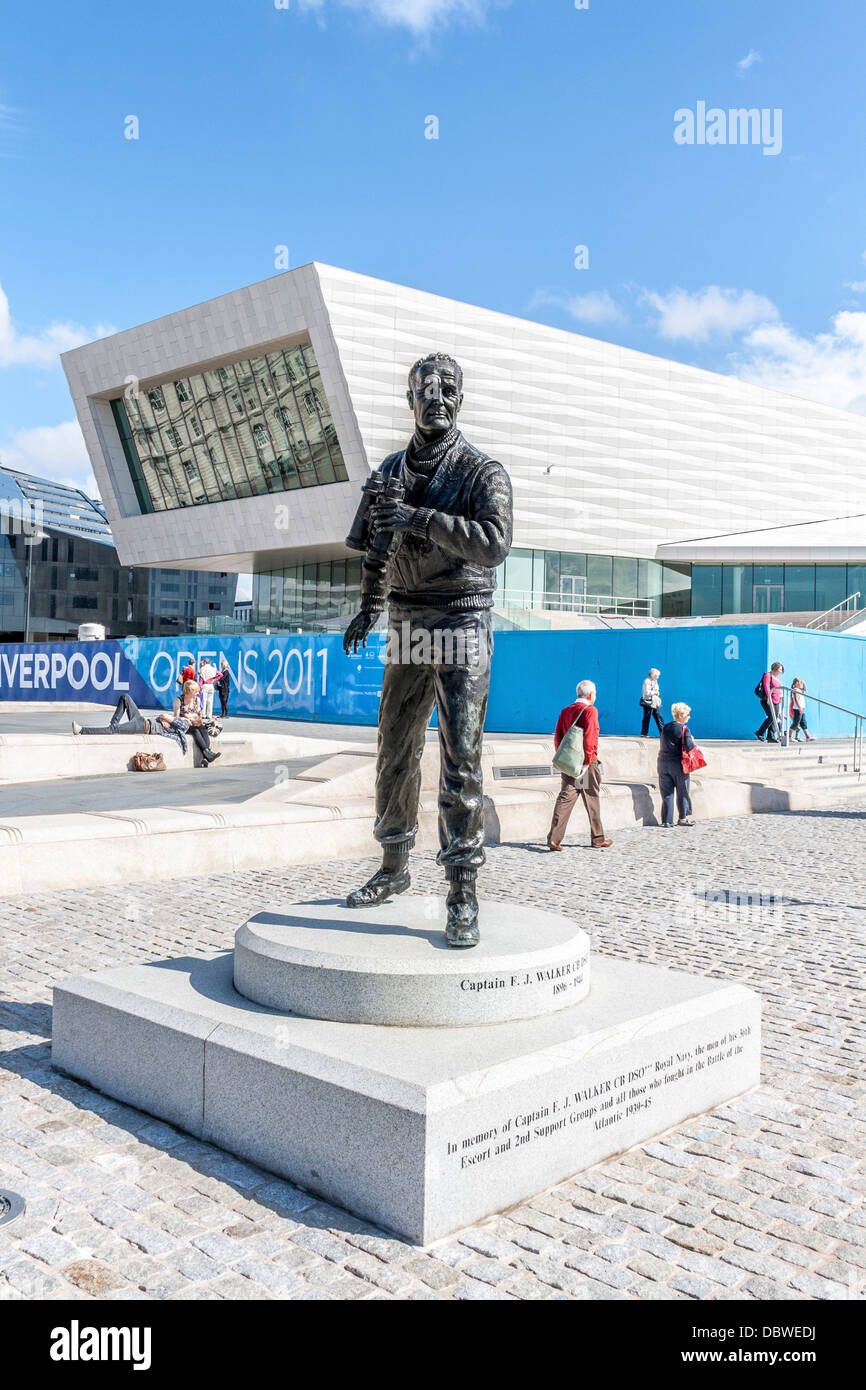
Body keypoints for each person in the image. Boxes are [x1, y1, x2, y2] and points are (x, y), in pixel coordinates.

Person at [341, 351, 513, 948]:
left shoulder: (483, 472)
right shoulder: (389, 469)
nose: (434, 400)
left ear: (459, 400)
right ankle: (393, 866)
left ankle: (462, 891)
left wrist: (421, 516)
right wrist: (368, 604)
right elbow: (374, 549)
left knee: (460, 758)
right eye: (424, 392)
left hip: (463, 620)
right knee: (394, 747)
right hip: (407, 619)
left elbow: (493, 545)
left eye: (446, 392)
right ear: (410, 400)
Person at [547, 679, 613, 850]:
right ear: (591, 695)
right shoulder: (590, 711)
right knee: (591, 799)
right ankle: (598, 838)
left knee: (566, 798)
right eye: (595, 694)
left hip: (569, 762)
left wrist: (565, 759)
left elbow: (559, 737)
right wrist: (586, 763)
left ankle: (554, 838)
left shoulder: (566, 710)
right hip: (586, 763)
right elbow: (590, 738)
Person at [72, 692, 217, 767]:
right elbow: (164, 718)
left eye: (192, 714)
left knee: (113, 729)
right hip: (143, 720)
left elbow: (164, 715)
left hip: (144, 726)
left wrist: (164, 719)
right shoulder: (181, 721)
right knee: (125, 697)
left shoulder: (185, 724)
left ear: (193, 720)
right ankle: (113, 725)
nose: (190, 712)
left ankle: (82, 730)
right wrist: (163, 719)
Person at [659, 702, 696, 827]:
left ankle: (667, 820)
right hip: (678, 764)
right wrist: (692, 740)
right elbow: (690, 747)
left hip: (663, 763)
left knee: (667, 793)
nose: (689, 717)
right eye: (687, 714)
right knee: (682, 791)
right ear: (681, 715)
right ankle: (683, 818)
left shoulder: (665, 728)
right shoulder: (684, 729)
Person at [174, 680, 221, 765]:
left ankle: (206, 757)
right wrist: (186, 718)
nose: (198, 693)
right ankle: (207, 755)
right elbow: (176, 718)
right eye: (195, 691)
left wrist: (196, 716)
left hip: (195, 723)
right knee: (195, 731)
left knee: (203, 729)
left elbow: (198, 715)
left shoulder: (197, 700)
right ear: (189, 692)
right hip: (184, 724)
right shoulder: (179, 700)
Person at [756, 662, 785, 743]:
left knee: (775, 718)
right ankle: (760, 732)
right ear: (775, 668)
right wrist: (769, 698)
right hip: (768, 700)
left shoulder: (776, 678)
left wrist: (780, 696)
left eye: (781, 670)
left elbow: (778, 689)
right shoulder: (768, 675)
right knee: (771, 716)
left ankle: (770, 736)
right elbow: (766, 686)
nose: (780, 671)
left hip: (776, 700)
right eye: (780, 669)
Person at [639, 668, 663, 737]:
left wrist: (657, 693)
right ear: (653, 675)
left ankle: (663, 734)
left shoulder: (655, 681)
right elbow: (647, 692)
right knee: (647, 717)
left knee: (659, 717)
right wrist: (655, 692)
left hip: (654, 702)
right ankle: (644, 733)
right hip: (648, 702)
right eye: (657, 676)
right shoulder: (647, 681)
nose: (658, 677)